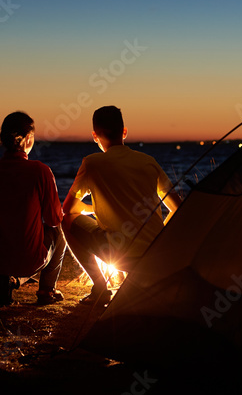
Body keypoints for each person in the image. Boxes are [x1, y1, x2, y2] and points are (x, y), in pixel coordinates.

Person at [62, 106, 182, 306]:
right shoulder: (148, 162)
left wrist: (91, 209)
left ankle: (100, 288)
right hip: (154, 255)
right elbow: (178, 208)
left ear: (95, 136)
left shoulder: (92, 163)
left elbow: (67, 209)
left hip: (120, 255)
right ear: (124, 131)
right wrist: (160, 236)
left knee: (66, 220)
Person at [0, 111, 67, 306]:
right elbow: (53, 219)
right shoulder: (40, 171)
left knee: (12, 244)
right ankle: (46, 290)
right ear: (28, 138)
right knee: (60, 231)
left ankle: (8, 280)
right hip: (29, 260)